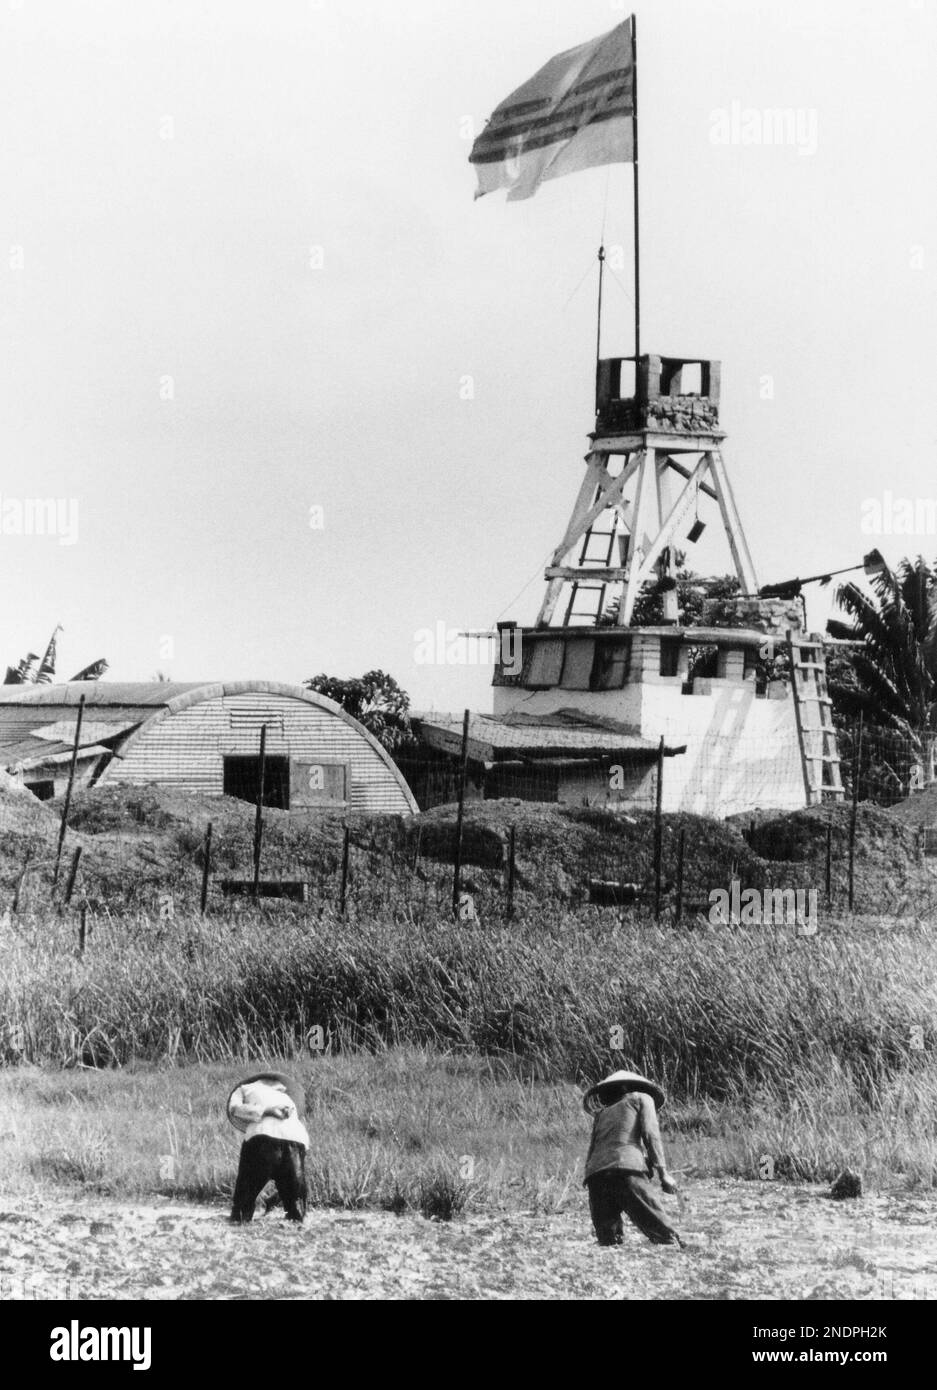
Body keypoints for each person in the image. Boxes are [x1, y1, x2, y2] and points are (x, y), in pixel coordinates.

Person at [582, 1069, 682, 1248]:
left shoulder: (601, 1114)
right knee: (666, 1238)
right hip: (625, 1170)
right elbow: (651, 1134)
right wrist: (663, 1173)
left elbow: (594, 1150)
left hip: (595, 1177)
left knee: (609, 1244)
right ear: (628, 1087)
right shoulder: (642, 1098)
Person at [227, 1071, 309, 1224]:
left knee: (241, 1210)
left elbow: (234, 1109)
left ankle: (240, 1225)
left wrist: (266, 1110)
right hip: (297, 1141)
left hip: (262, 1139)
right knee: (296, 1213)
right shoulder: (287, 1096)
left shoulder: (243, 1088)